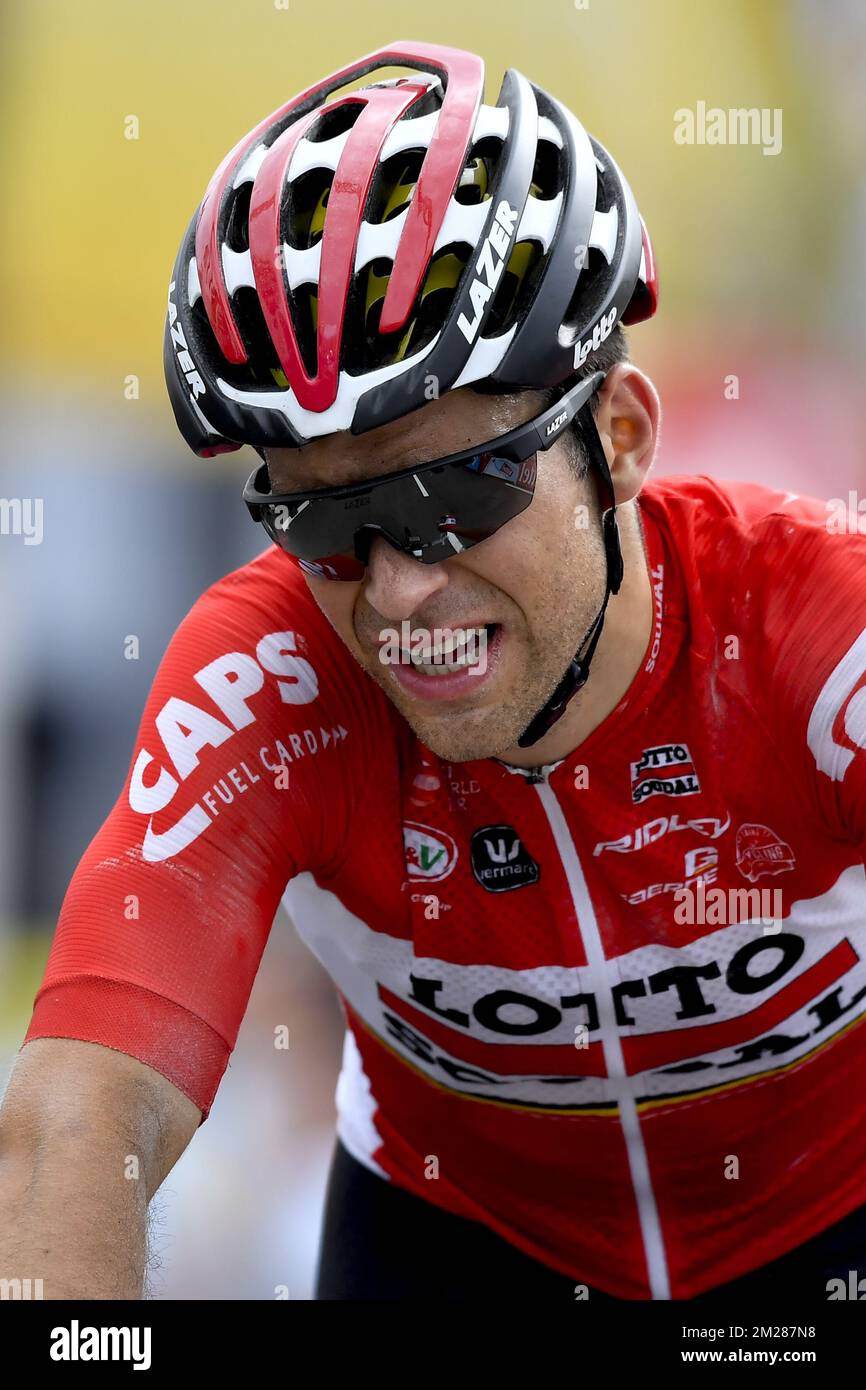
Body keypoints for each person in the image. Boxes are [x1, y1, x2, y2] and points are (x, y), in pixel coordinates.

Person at [2, 38, 866, 1303]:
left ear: (618, 438)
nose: (402, 589)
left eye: (454, 494)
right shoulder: (274, 674)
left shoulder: (815, 629)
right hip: (462, 1246)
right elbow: (78, 1119)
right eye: (325, 525)